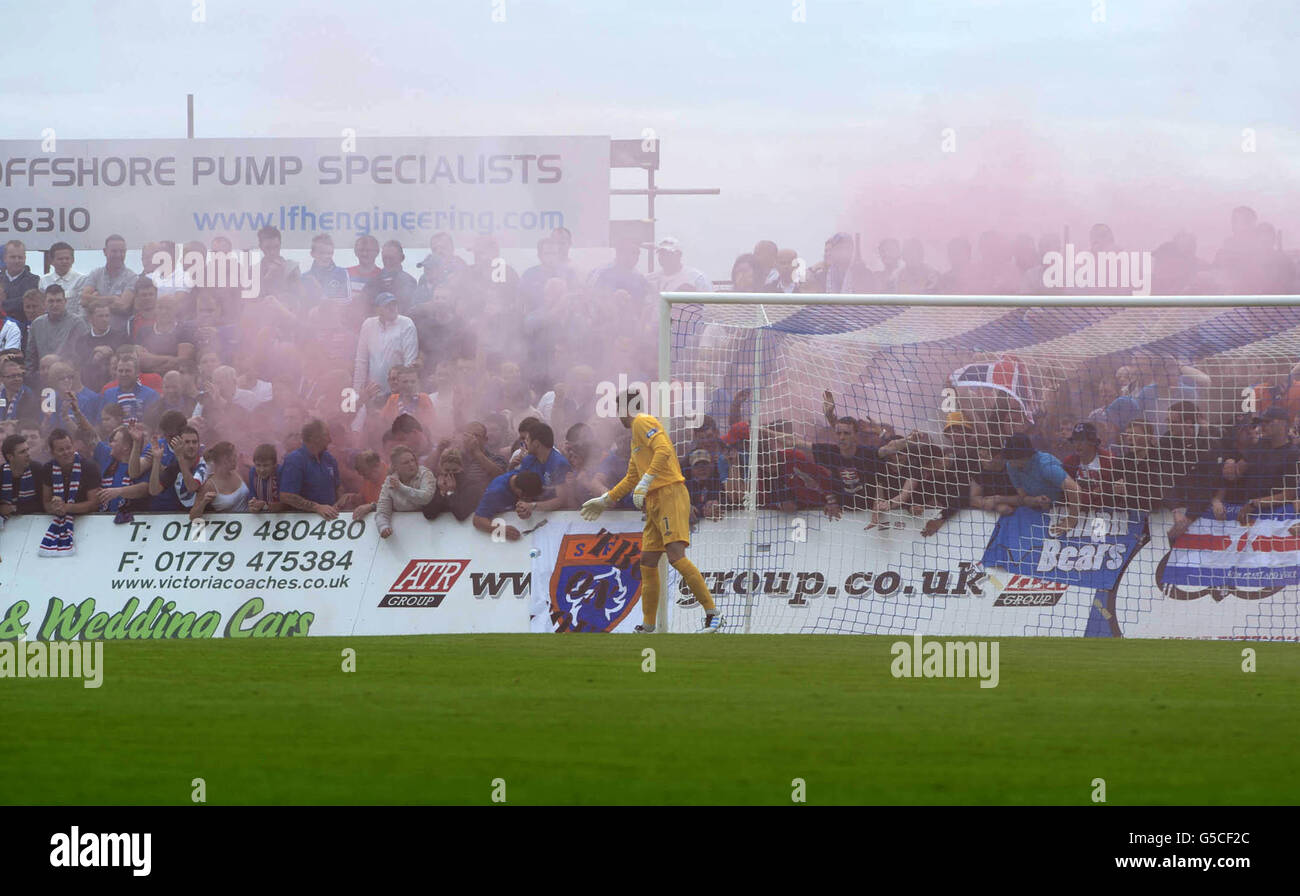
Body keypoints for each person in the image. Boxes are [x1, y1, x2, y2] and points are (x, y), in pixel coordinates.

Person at [579, 389, 724, 633]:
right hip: (655, 500)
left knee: (676, 555)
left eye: (618, 411)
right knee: (647, 560)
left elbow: (664, 450)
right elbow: (630, 478)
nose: (618, 417)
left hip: (669, 492)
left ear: (626, 409)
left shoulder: (642, 421)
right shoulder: (636, 439)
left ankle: (713, 614)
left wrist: (646, 482)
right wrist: (605, 500)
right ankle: (648, 625)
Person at [40, 428, 103, 555]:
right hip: (57, 521)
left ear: (74, 446)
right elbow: (46, 503)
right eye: (61, 450)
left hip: (88, 523)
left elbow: (94, 504)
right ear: (52, 452)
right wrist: (55, 508)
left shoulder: (89, 467)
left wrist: (66, 507)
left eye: (69, 447)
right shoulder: (47, 469)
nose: (66, 452)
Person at [279, 418, 345, 519]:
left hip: (330, 519)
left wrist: (340, 501)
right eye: (326, 435)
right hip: (303, 522)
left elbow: (338, 486)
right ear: (315, 438)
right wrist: (317, 507)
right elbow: (286, 495)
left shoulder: (329, 458)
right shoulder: (295, 460)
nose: (330, 440)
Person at [374, 445, 436, 538]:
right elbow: (382, 510)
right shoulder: (390, 481)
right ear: (396, 467)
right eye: (406, 463)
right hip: (403, 532)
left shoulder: (425, 474)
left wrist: (401, 488)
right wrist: (383, 526)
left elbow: (426, 497)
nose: (411, 464)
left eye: (412, 460)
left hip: (430, 528)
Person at [146, 425, 207, 511]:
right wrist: (156, 460)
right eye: (187, 442)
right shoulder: (176, 465)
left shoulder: (203, 462)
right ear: (179, 444)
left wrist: (180, 457)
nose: (191, 446)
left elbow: (192, 487)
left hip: (210, 516)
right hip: (184, 517)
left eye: (194, 442)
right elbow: (154, 491)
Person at [472, 469, 543, 541]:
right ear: (519, 492)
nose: (529, 499)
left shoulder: (522, 475)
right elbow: (477, 520)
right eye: (527, 497)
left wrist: (526, 505)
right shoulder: (495, 493)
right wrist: (501, 530)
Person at [190, 441, 249, 516]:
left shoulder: (237, 473)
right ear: (224, 459)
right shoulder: (209, 485)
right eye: (234, 456)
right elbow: (192, 516)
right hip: (230, 525)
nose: (236, 459)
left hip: (250, 522)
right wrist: (203, 503)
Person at [40, 242, 87, 318]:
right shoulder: (43, 280)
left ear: (73, 260)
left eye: (67, 258)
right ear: (51, 261)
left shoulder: (81, 279)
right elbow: (42, 308)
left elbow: (82, 309)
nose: (64, 261)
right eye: (60, 259)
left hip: (74, 325)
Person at [2, 240, 41, 321]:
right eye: (13, 257)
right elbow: (19, 302)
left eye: (20, 257)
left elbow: (25, 303)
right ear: (5, 258)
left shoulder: (34, 280)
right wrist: (17, 301)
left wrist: (2, 303)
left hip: (24, 328)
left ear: (25, 258)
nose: (17, 261)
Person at [247, 443, 285, 512]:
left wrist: (265, 506)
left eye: (266, 465)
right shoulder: (253, 472)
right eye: (258, 465)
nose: (261, 470)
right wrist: (252, 504)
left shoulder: (281, 473)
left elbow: (286, 504)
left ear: (275, 465)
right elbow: (252, 495)